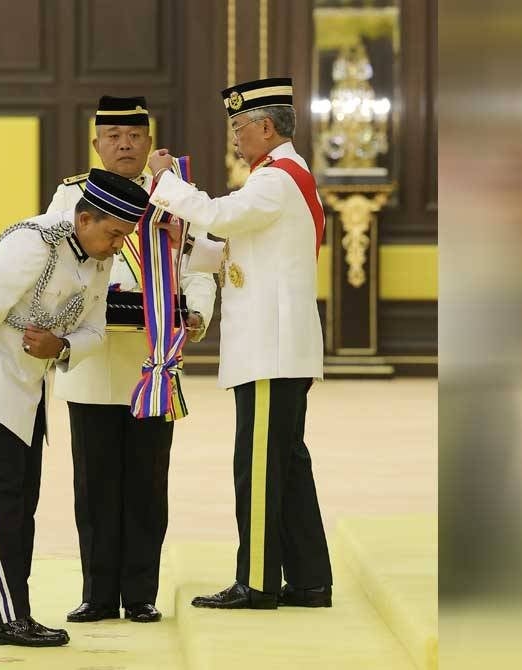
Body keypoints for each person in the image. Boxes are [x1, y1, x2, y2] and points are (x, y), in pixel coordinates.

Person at [0, 169, 151, 645]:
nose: (117, 247)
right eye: (113, 234)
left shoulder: (98, 256)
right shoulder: (31, 243)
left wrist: (61, 345)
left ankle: (12, 613)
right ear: (84, 218)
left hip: (29, 388)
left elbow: (95, 331)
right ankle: (5, 620)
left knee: (21, 503)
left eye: (123, 237)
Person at [147, 77, 333, 610]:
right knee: (287, 465)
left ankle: (256, 582)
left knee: (258, 466)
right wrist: (186, 243)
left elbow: (224, 217)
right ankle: (309, 580)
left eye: (239, 126)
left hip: (270, 351)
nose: (234, 137)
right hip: (274, 348)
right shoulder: (277, 179)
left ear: (266, 127)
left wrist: (167, 182)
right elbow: (238, 250)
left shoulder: (276, 179)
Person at [47, 95, 217, 623]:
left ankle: (141, 593)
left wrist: (197, 313)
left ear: (149, 142)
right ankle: (98, 595)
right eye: (114, 136)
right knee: (94, 485)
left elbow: (200, 264)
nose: (125, 144)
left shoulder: (177, 195)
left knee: (148, 483)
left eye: (135, 136)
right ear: (96, 143)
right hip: (93, 361)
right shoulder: (70, 194)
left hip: (154, 363)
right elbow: (57, 260)